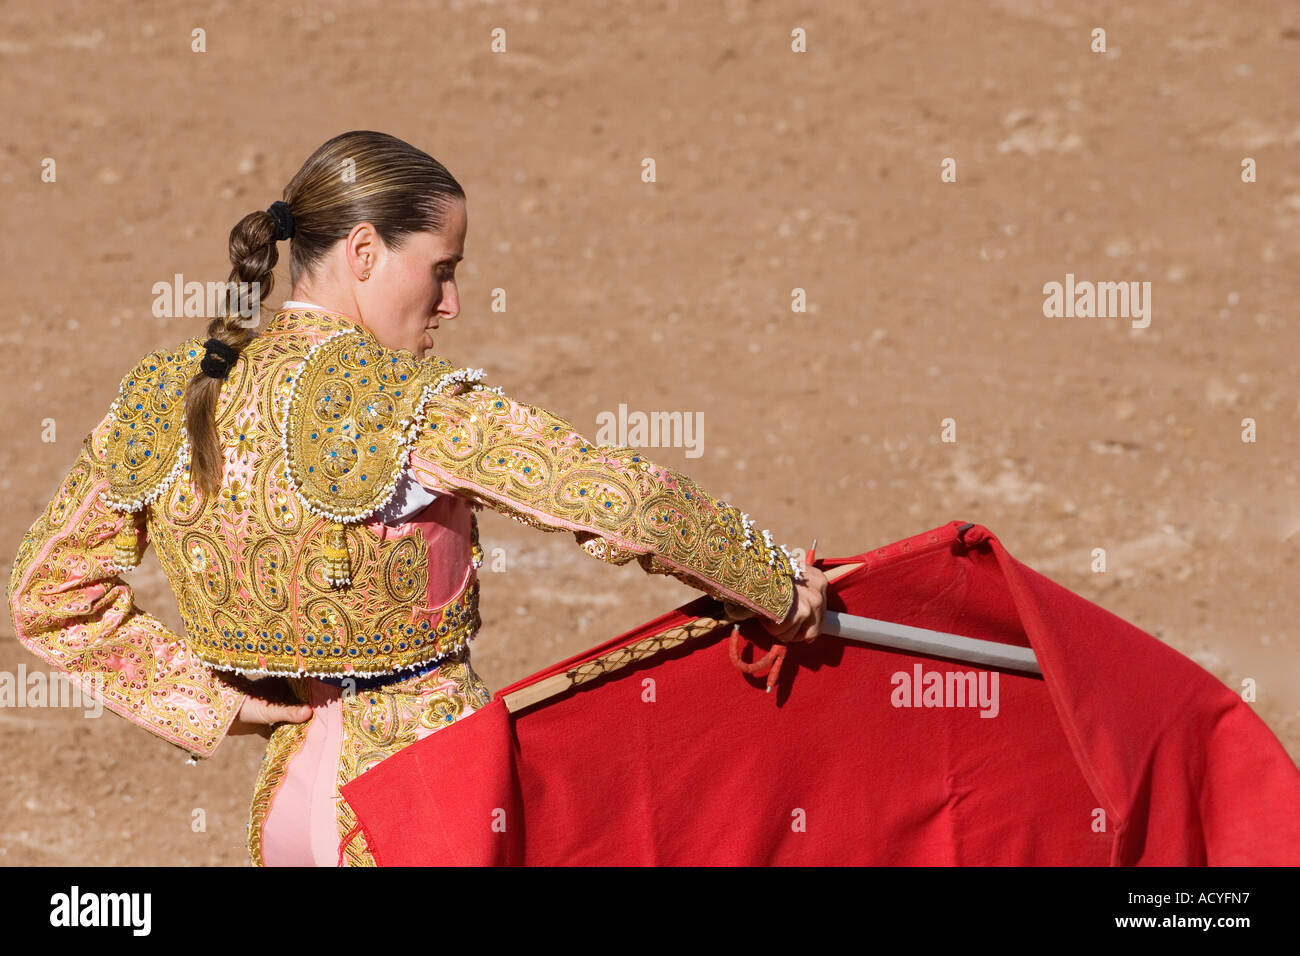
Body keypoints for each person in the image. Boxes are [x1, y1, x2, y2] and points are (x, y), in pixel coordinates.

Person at [6, 130, 829, 867]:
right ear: (364, 250)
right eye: (441, 269)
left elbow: (49, 597)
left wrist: (211, 702)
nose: (451, 303)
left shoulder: (171, 392)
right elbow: (623, 503)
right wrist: (773, 585)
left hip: (288, 806)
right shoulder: (410, 404)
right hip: (426, 802)